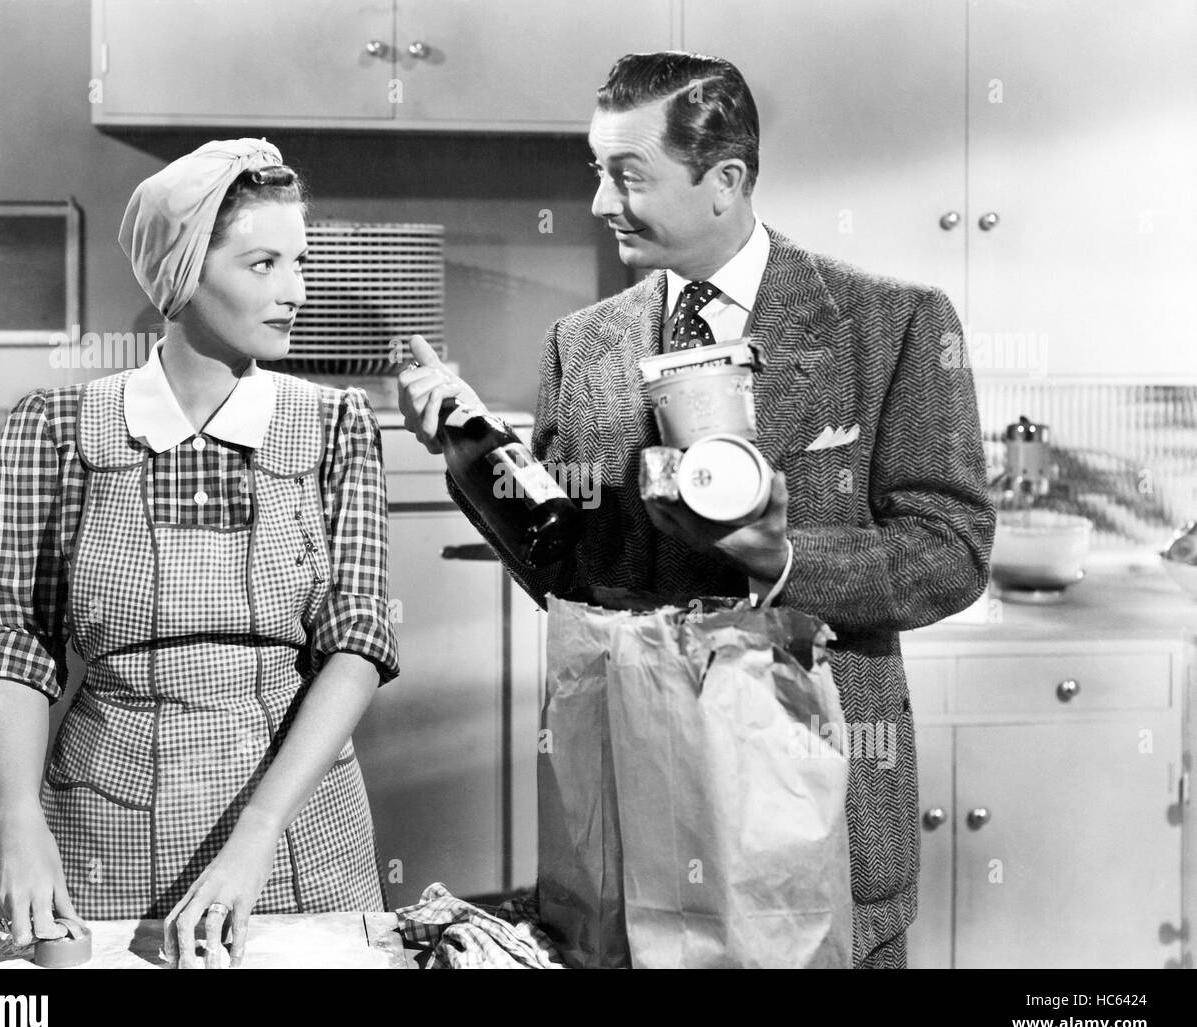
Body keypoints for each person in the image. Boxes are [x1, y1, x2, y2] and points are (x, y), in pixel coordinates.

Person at [399, 53, 994, 969]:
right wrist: (473, 458)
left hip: (818, 814)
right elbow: (573, 573)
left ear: (726, 181)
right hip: (634, 821)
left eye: (626, 174)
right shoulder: (584, 343)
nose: (600, 201)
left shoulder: (896, 325)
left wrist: (784, 558)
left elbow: (950, 551)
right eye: (595, 172)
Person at [0, 139, 399, 969]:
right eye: (263, 263)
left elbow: (359, 642)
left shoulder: (336, 425)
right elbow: (14, 641)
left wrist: (260, 831)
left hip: (298, 827)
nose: (295, 292)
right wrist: (16, 817)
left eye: (299, 262)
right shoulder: (56, 429)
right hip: (102, 826)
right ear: (182, 271)